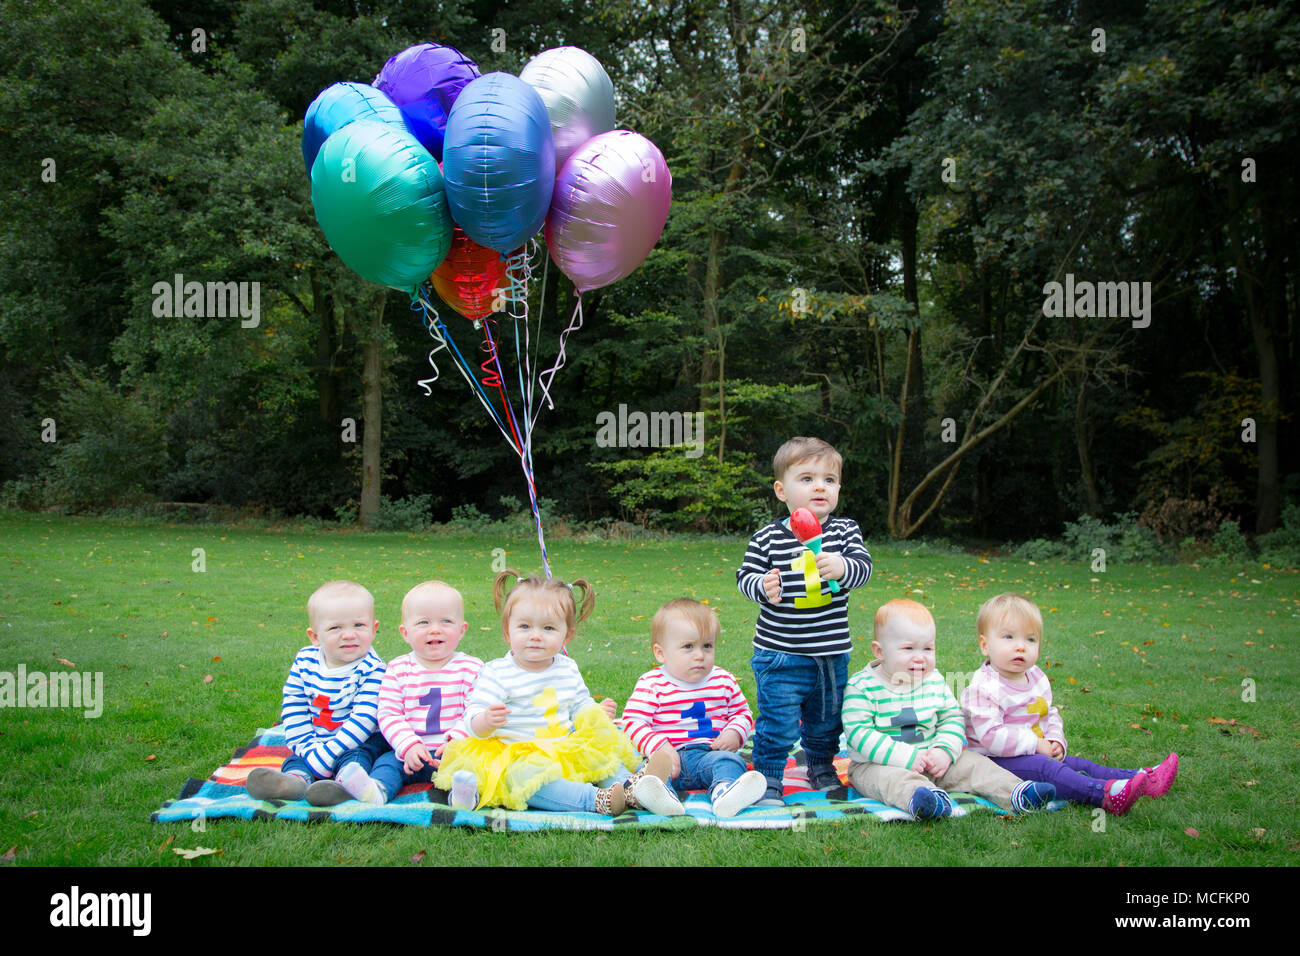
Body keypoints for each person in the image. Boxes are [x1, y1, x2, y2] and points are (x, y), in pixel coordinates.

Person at [434, 570, 680, 815]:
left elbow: (579, 704)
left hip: (563, 748)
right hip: (516, 755)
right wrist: (485, 721)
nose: (535, 636)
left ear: (567, 635)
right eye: (524, 626)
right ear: (508, 632)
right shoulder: (497, 672)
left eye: (548, 628)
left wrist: (594, 713)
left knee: (602, 755)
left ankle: (633, 787)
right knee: (527, 781)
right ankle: (596, 799)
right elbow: (472, 716)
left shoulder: (567, 668)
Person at [736, 436, 873, 803]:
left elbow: (863, 569)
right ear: (782, 491)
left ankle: (821, 766)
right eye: (807, 479)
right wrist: (762, 586)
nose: (820, 487)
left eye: (829, 480)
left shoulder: (845, 532)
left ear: (839, 488)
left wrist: (843, 567)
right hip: (780, 653)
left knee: (826, 721)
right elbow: (744, 577)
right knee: (777, 722)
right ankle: (768, 775)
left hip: (830, 654)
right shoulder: (768, 537)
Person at [962, 593, 1178, 815]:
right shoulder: (983, 687)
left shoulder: (1035, 677)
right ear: (985, 645)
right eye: (1008, 637)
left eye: (1030, 640)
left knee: (1079, 764)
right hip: (994, 761)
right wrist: (1036, 744)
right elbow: (991, 737)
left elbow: (1049, 713)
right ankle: (1104, 795)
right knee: (1048, 769)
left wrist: (1055, 739)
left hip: (1033, 750)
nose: (1020, 646)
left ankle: (1142, 778)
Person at [843, 598, 1056, 818]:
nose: (920, 657)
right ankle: (925, 800)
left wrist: (944, 750)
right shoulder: (862, 687)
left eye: (928, 648)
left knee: (975, 764)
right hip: (878, 765)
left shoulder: (933, 680)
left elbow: (952, 718)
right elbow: (859, 733)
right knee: (891, 781)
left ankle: (1016, 792)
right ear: (879, 651)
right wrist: (904, 757)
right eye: (908, 648)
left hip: (933, 759)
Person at [337, 581, 483, 808]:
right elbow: (389, 714)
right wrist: (408, 745)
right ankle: (376, 791)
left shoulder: (472, 668)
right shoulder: (398, 669)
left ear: (462, 629)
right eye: (423, 622)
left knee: (471, 767)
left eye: (446, 621)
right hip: (409, 753)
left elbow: (476, 710)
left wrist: (457, 741)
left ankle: (463, 797)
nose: (435, 630)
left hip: (454, 750)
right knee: (386, 764)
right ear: (405, 633)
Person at [246, 580, 389, 806]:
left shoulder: (373, 669)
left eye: (359, 625)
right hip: (314, 739)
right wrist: (306, 747)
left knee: (357, 759)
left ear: (373, 629)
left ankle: (343, 787)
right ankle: (294, 782)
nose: (349, 635)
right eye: (335, 628)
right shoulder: (305, 661)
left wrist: (326, 757)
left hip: (356, 741)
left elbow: (364, 719)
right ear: (314, 636)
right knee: (296, 759)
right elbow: (294, 706)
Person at [620, 599, 767, 818]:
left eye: (707, 646)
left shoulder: (723, 680)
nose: (699, 655)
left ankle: (725, 792)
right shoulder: (652, 684)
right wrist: (659, 747)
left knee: (731, 762)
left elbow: (741, 713)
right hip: (669, 757)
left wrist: (734, 732)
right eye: (688, 647)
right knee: (650, 774)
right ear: (661, 653)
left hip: (710, 755)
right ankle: (662, 798)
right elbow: (633, 721)